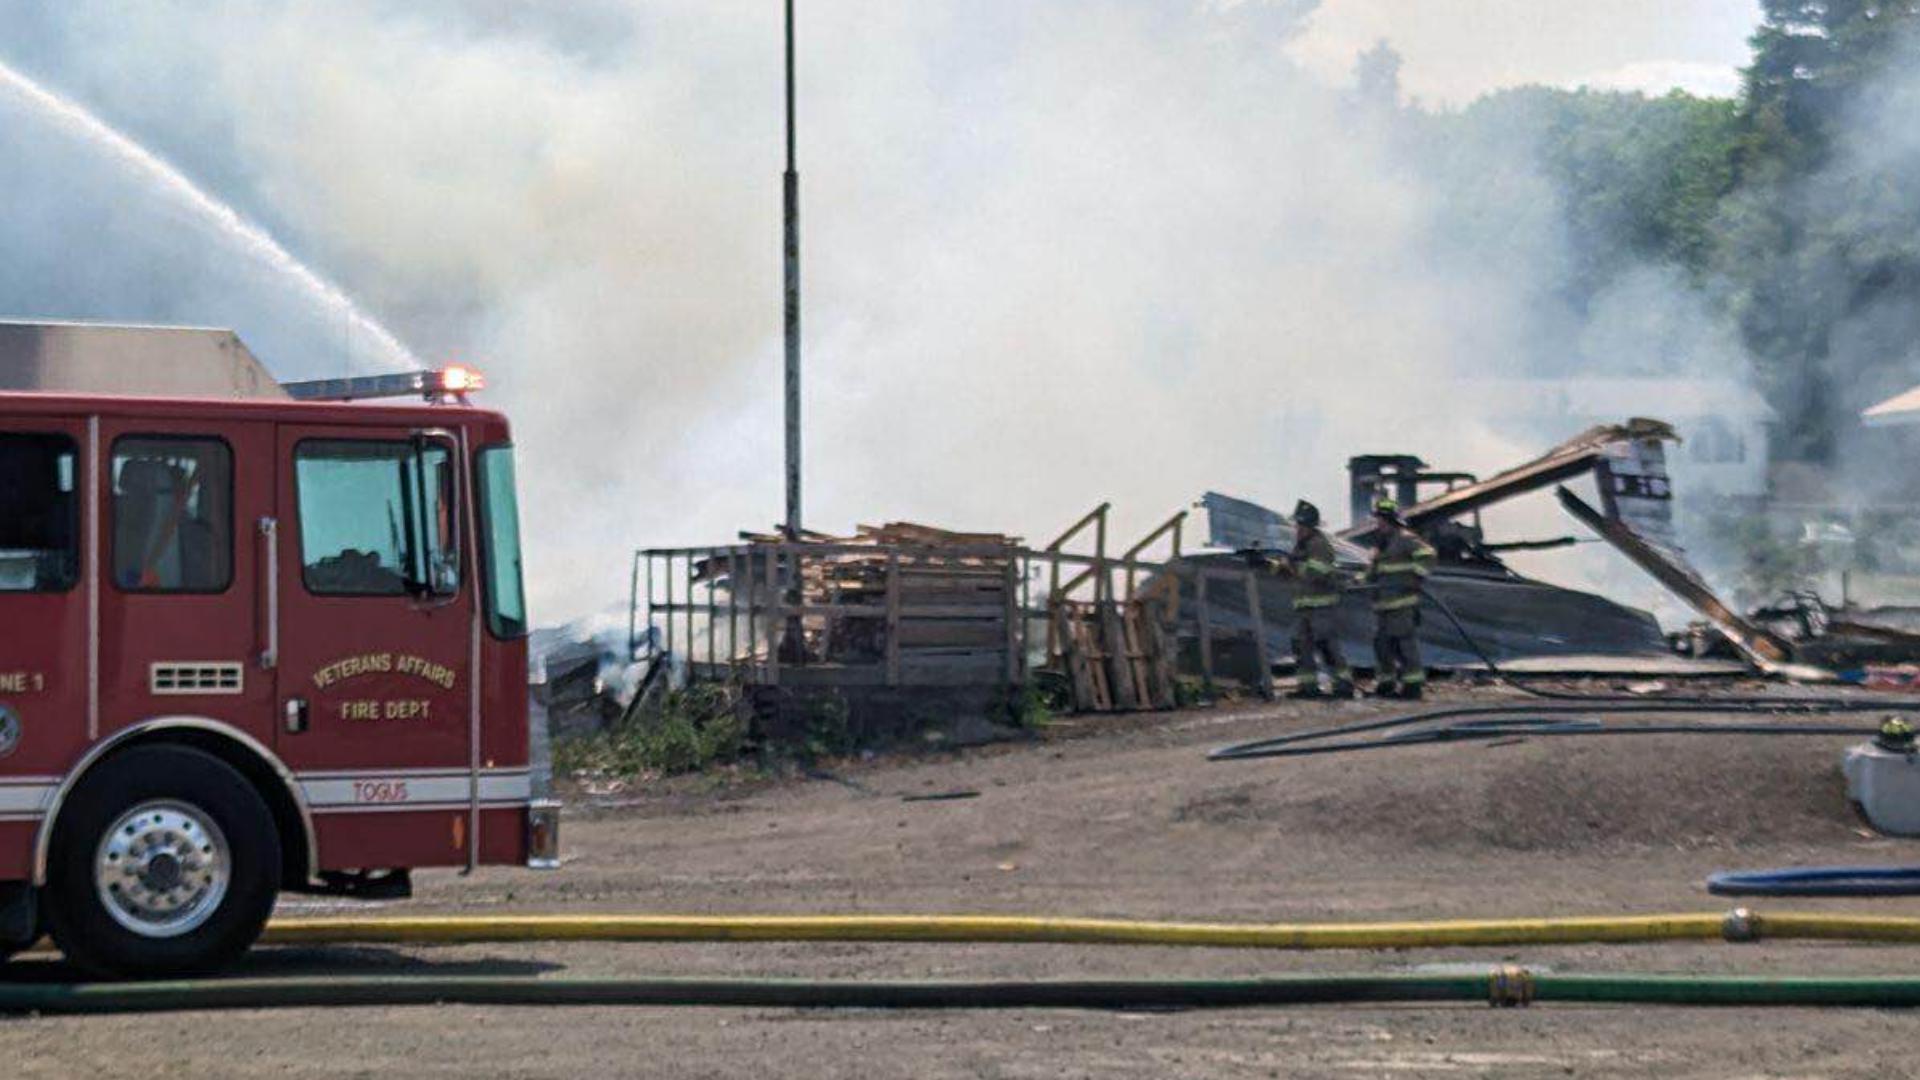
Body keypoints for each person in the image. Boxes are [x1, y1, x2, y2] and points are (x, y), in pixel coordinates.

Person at [1248, 499, 1354, 699]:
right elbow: (1288, 572)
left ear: (1309, 526)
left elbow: (1315, 573)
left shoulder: (1319, 545)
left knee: (1327, 647)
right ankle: (1308, 687)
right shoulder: (1300, 546)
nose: (1297, 529)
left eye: (1300, 525)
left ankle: (1343, 685)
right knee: (1301, 647)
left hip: (1321, 608)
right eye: (1297, 525)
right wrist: (1264, 564)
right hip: (1304, 608)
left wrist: (1291, 565)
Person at [1364, 497, 1436, 699]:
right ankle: (1386, 683)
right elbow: (1373, 571)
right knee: (1382, 645)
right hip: (1382, 605)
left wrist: (1416, 576)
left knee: (1405, 645)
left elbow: (1428, 554)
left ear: (1388, 519)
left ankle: (1412, 687)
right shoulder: (1380, 543)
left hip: (1402, 604)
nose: (1377, 522)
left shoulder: (1405, 538)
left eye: (1379, 518)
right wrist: (1360, 579)